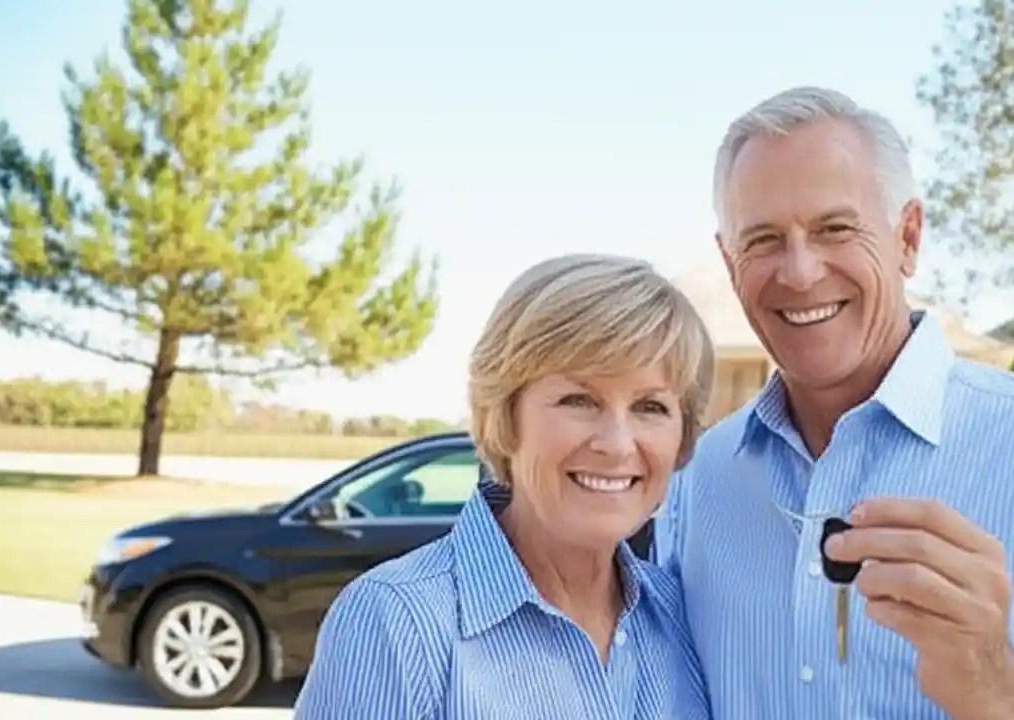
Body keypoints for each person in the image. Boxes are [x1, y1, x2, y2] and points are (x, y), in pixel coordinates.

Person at [653, 86, 1014, 719]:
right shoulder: (699, 476)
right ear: (729, 261)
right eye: (763, 240)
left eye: (835, 228)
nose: (799, 272)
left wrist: (993, 682)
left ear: (908, 237)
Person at [294, 253, 715, 719]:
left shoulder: (684, 618)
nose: (617, 445)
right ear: (505, 417)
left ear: (683, 437)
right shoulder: (396, 622)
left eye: (650, 407)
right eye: (579, 400)